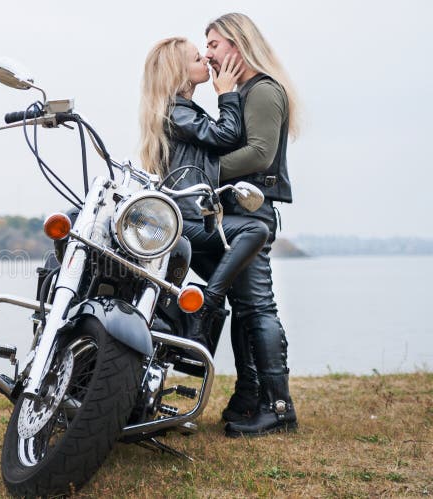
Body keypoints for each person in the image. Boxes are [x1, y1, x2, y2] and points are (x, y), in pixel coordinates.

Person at [139, 37, 269, 367]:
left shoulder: (182, 111)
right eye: (198, 58)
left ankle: (242, 384)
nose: (207, 62)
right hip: (188, 223)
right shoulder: (175, 113)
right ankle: (204, 306)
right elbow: (226, 137)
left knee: (238, 295)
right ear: (178, 72)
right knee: (255, 229)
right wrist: (226, 92)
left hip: (193, 221)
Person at [202, 12, 299, 437]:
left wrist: (200, 170)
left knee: (258, 305)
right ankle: (249, 396)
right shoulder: (241, 90)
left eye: (215, 44)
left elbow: (259, 154)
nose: (207, 53)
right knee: (245, 306)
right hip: (237, 210)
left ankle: (279, 408)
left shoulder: (263, 90)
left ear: (238, 46)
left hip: (253, 210)